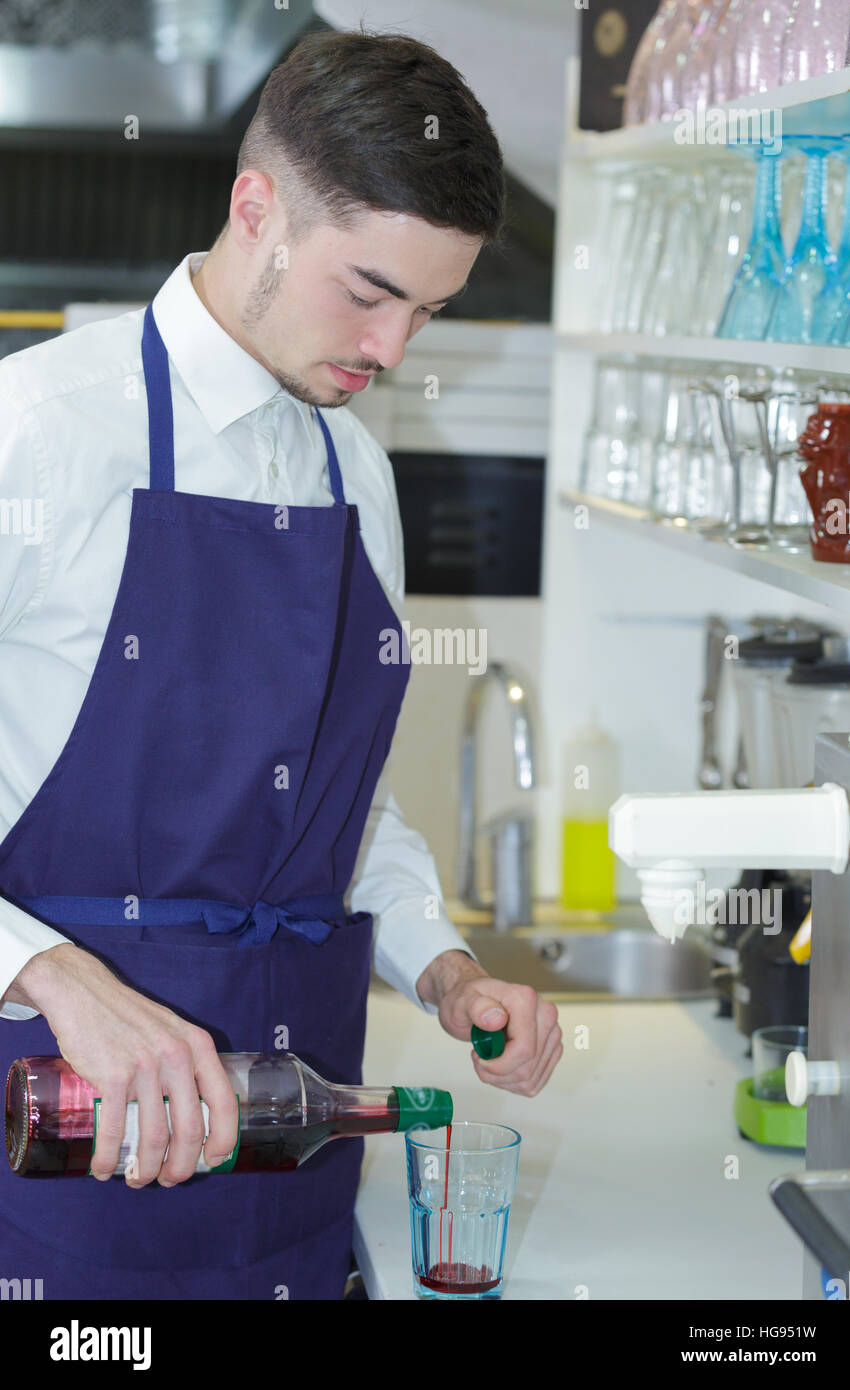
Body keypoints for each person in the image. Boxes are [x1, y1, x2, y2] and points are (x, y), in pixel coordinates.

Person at [0, 28, 561, 1300]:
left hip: (296, 1195)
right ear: (256, 209)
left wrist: (441, 960)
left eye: (427, 309)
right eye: (368, 291)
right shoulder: (36, 435)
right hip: (60, 1171)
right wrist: (47, 972)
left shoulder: (349, 466)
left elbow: (334, 801)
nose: (395, 352)